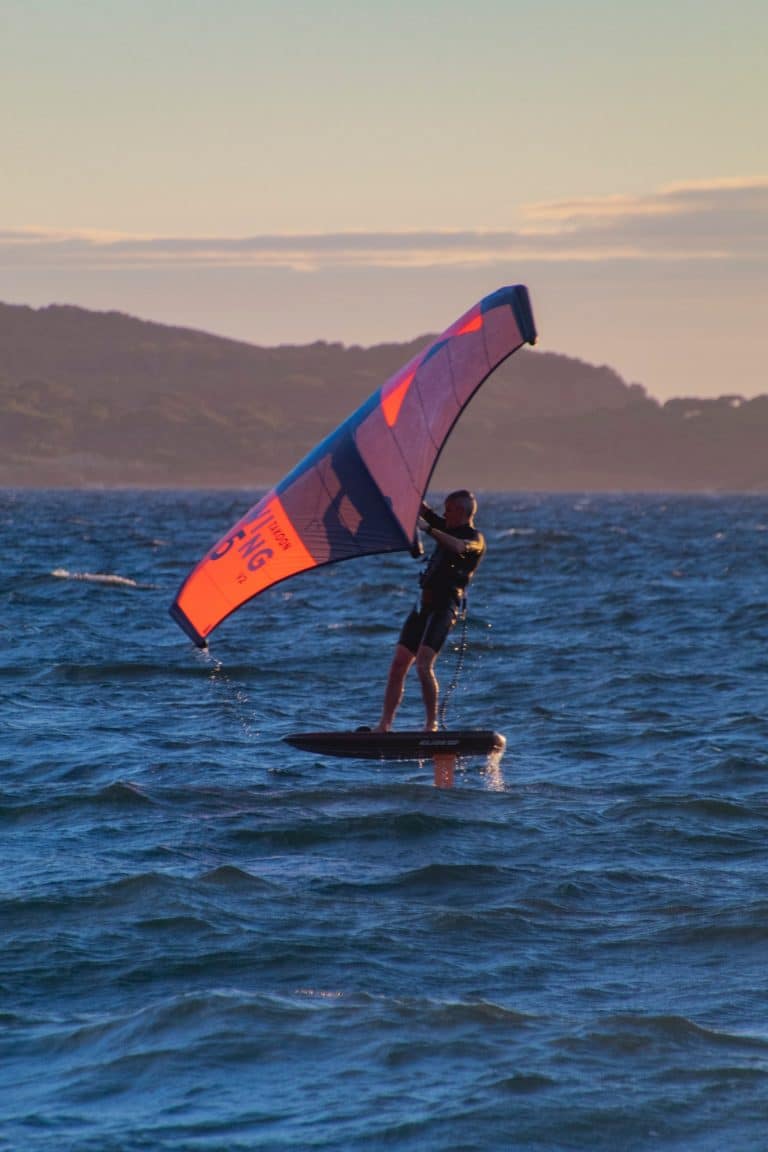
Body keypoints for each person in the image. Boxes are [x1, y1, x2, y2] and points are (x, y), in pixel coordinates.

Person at [375, 490, 485, 732]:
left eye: (449, 510)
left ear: (461, 512)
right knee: (398, 664)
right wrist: (403, 491)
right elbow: (423, 510)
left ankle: (431, 725)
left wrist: (428, 529)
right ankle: (384, 724)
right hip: (422, 606)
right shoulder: (445, 525)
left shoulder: (474, 538)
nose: (444, 514)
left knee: (423, 665)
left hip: (444, 607)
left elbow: (458, 547)